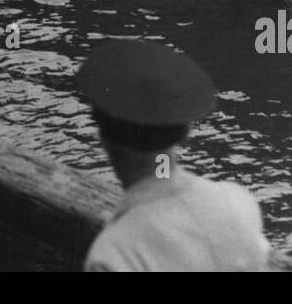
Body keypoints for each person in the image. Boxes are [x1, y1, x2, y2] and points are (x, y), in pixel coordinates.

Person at [77, 39, 271, 272]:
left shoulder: (114, 255)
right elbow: (164, 179)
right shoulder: (238, 204)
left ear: (105, 137)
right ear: (184, 132)